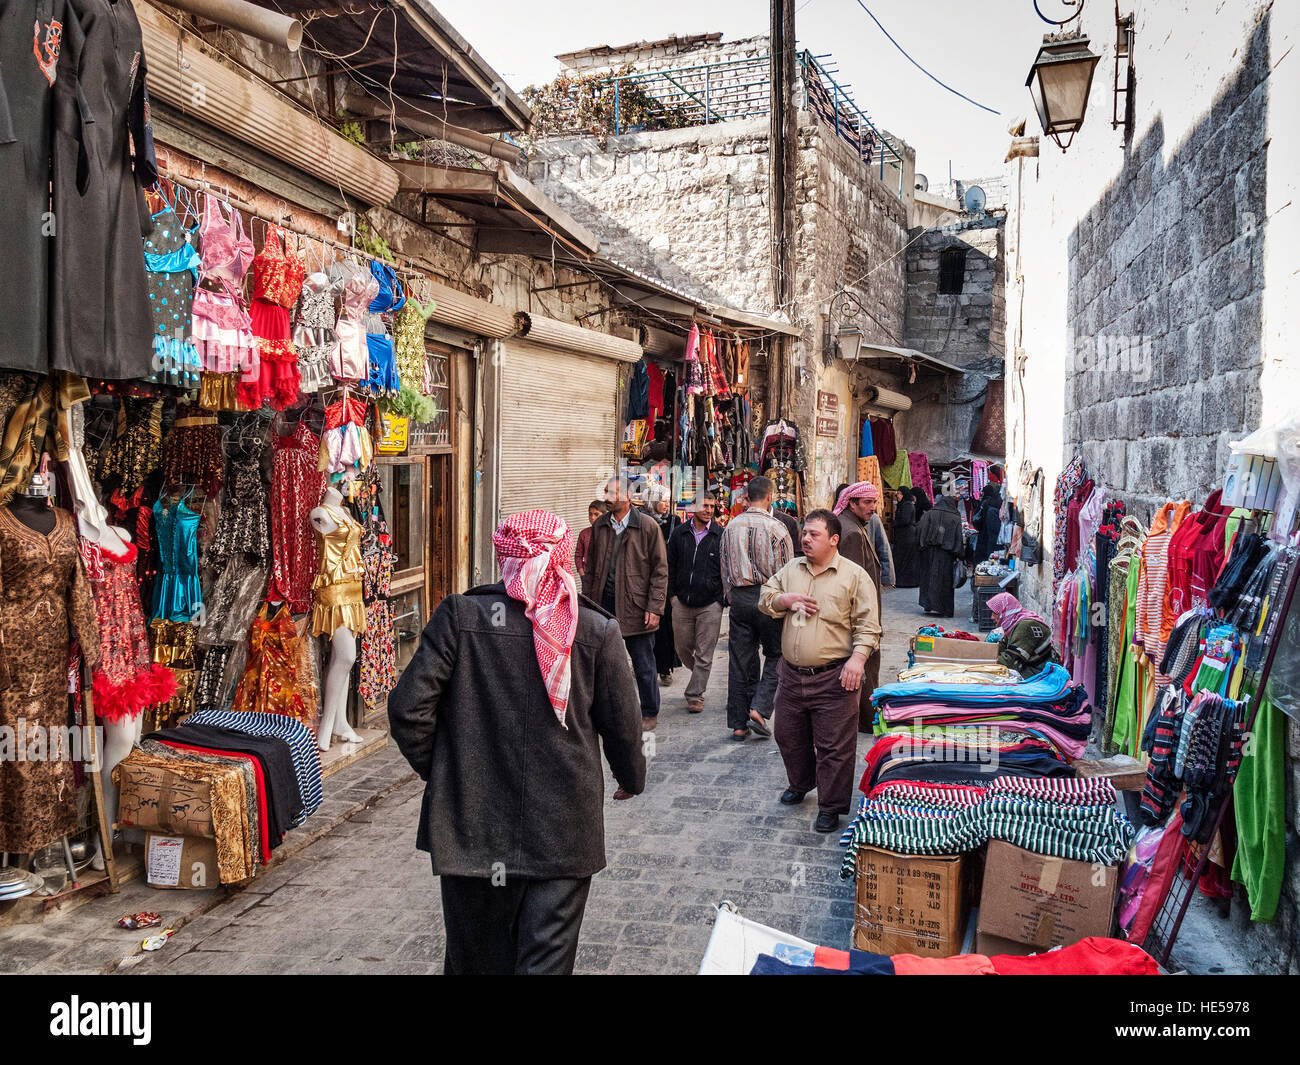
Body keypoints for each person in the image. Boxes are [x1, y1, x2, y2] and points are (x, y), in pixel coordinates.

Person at [387, 510, 646, 975]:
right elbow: (624, 727)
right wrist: (631, 778)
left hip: (474, 832)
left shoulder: (461, 616)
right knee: (545, 964)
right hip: (563, 834)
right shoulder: (595, 630)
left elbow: (408, 710)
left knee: (477, 964)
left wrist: (453, 772)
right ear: (564, 558)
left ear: (502, 554)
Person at [759, 509, 881, 833]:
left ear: (834, 539)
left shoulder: (854, 576)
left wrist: (857, 660)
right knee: (788, 735)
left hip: (835, 676)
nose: (806, 539)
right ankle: (800, 783)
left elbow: (869, 627)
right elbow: (765, 597)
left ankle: (830, 805)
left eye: (814, 534)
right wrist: (785, 600)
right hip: (791, 674)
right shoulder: (792, 569)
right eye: (805, 533)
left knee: (834, 746)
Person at [583, 476, 669, 730]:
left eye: (614, 493)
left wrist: (655, 607)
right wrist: (586, 603)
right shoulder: (600, 526)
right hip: (603, 604)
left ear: (628, 496)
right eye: (607, 493)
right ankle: (600, 712)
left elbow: (660, 571)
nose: (609, 498)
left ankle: (649, 712)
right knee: (599, 662)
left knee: (643, 663)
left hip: (636, 605)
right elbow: (591, 570)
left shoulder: (647, 526)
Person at [720, 475, 793, 741]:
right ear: (770, 497)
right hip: (768, 598)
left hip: (739, 598)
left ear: (747, 497)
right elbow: (786, 572)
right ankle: (760, 709)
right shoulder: (777, 529)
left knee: (740, 661)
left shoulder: (730, 527)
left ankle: (738, 724)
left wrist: (733, 597)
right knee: (777, 655)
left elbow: (725, 569)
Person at [832, 481, 893, 731]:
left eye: (874, 502)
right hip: (859, 616)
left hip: (862, 614)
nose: (873, 508)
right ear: (852, 503)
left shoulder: (855, 525)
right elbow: (851, 584)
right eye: (867, 502)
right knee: (862, 666)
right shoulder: (852, 533)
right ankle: (864, 720)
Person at [666, 491, 725, 712]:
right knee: (682, 648)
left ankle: (695, 694)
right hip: (681, 602)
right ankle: (700, 673)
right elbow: (669, 566)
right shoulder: (680, 534)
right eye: (704, 505)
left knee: (704, 653)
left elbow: (726, 568)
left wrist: (721, 599)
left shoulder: (720, 535)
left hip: (710, 604)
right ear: (693, 507)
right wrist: (672, 596)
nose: (709, 510)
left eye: (712, 506)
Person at [647, 483, 683, 686]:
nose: (665, 505)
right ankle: (651, 664)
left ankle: (666, 667)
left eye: (666, 500)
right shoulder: (643, 521)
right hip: (647, 580)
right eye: (661, 500)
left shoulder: (674, 521)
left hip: (667, 580)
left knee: (667, 626)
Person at [988, 592, 1060, 676]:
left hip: (1040, 672)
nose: (992, 617)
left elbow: (1011, 661)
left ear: (1005, 612)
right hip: (1032, 666)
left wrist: (984, 661)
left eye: (995, 613)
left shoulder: (1025, 627)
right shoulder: (1013, 624)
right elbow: (1000, 648)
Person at [917, 492, 965, 617]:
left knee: (928, 578)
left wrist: (922, 547)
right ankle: (945, 608)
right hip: (946, 554)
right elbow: (958, 537)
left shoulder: (929, 514)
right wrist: (960, 554)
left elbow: (920, 530)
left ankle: (928, 604)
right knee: (944, 581)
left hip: (928, 552)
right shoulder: (955, 516)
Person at [891, 488, 921, 588]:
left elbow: (905, 520)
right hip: (906, 535)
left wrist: (894, 523)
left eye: (899, 494)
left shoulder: (907, 505)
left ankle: (905, 582)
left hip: (906, 536)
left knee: (904, 559)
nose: (898, 496)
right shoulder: (906, 504)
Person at [574, 499, 606, 578]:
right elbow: (578, 556)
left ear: (604, 515)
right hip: (588, 576)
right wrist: (582, 574)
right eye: (590, 514)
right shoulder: (584, 534)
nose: (592, 517)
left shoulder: (611, 532)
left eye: (596, 514)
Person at [974, 482, 1003, 564]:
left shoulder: (986, 503)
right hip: (991, 536)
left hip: (985, 533)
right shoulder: (993, 504)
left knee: (984, 555)